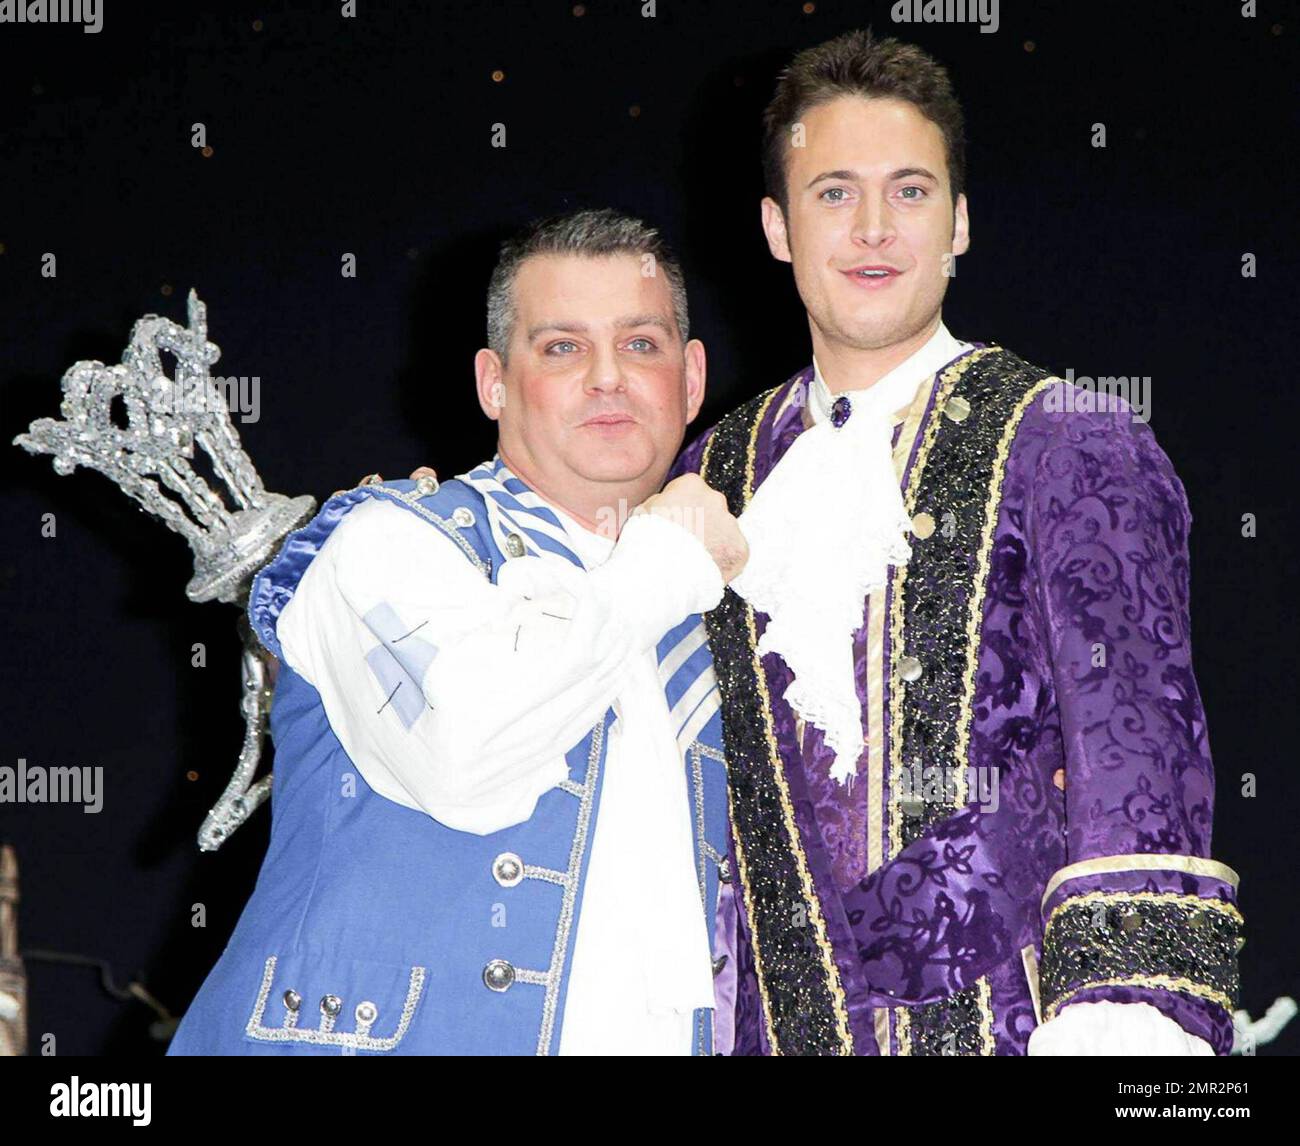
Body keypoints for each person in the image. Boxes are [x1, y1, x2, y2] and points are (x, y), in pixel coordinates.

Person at [669, 29, 1243, 1056]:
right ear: (775, 226)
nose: (874, 228)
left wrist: (1127, 1027)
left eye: (912, 191)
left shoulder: (1070, 439)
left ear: (960, 221)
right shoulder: (713, 470)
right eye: (834, 193)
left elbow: (1137, 766)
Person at [167, 207, 748, 1055]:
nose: (608, 378)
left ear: (691, 379)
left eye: (641, 344)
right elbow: (465, 750)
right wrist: (664, 560)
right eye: (561, 347)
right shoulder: (386, 544)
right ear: (493, 384)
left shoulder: (716, 622)